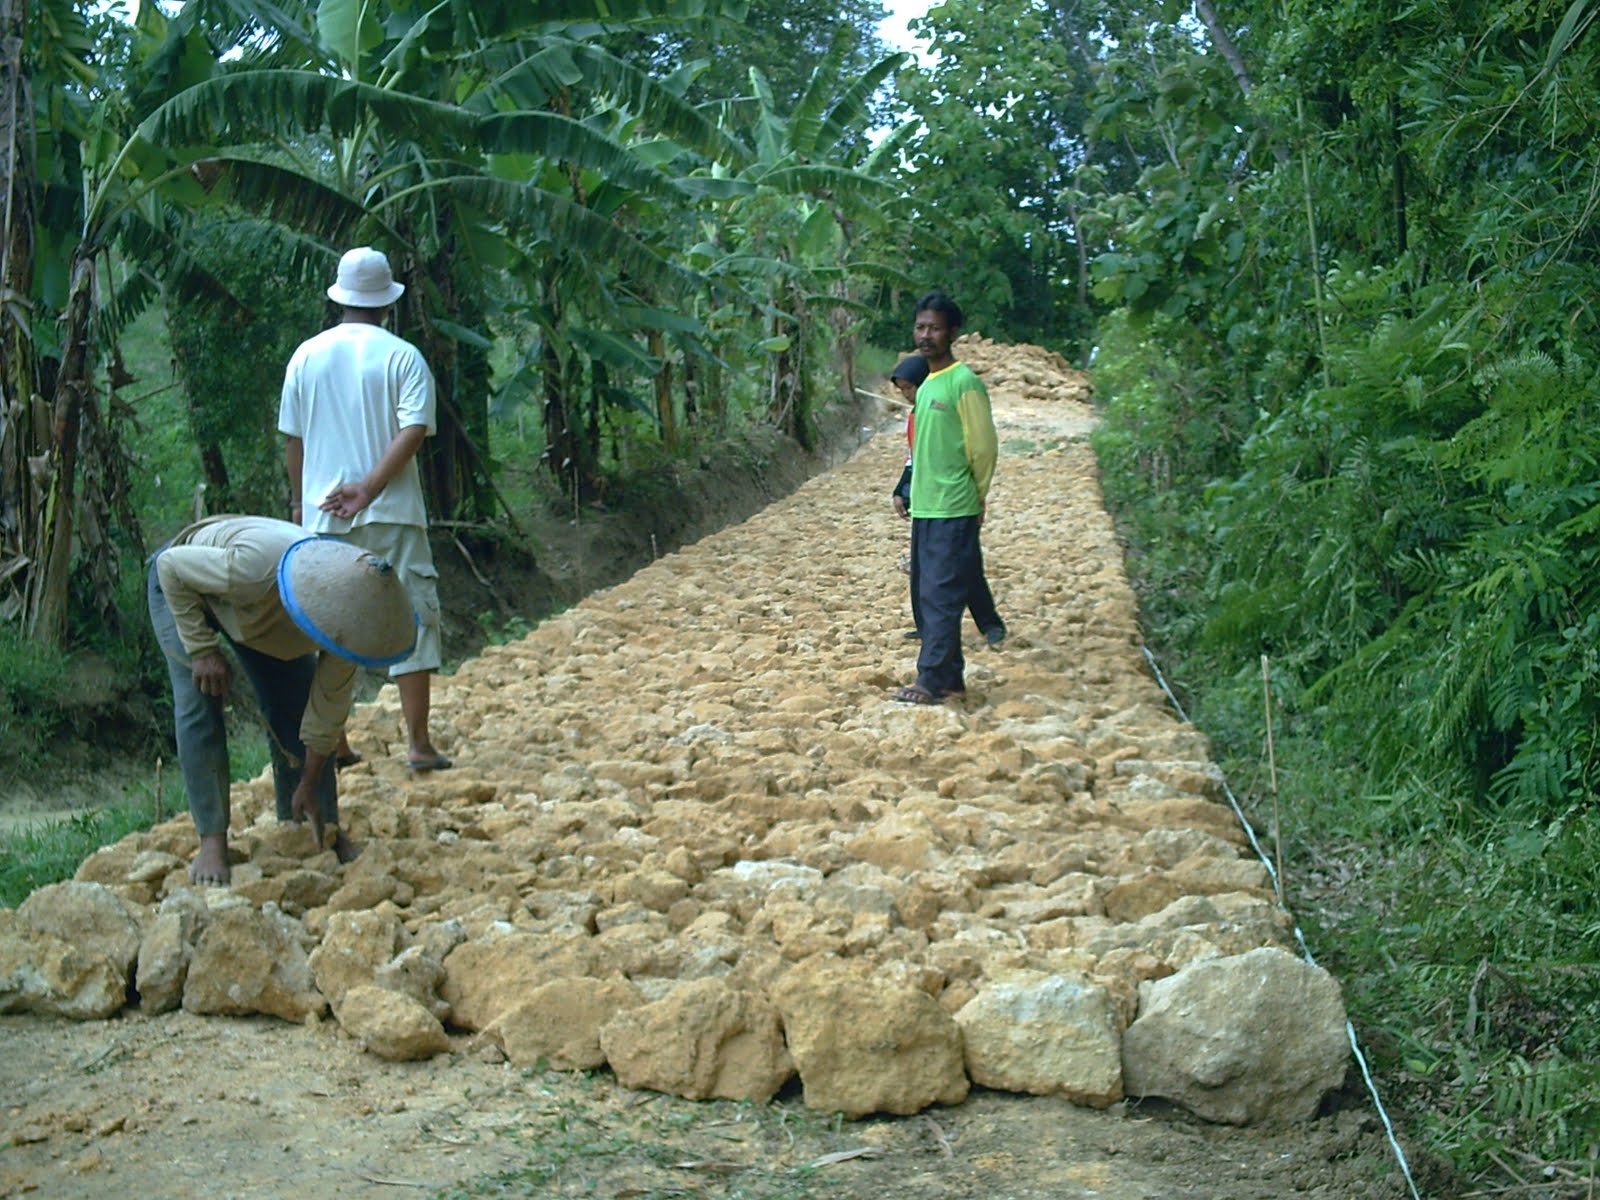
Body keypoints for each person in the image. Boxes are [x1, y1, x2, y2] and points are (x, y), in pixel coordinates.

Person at [148, 516, 418, 885]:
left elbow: (325, 713)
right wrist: (202, 649)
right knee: (200, 702)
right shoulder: (253, 571)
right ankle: (212, 841)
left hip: (257, 612)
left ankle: (313, 824)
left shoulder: (350, 624)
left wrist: (309, 781)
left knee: (296, 703)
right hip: (186, 585)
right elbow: (171, 567)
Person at [279, 246, 452, 772]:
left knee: (331, 625)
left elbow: (294, 440)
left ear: (340, 296)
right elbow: (414, 429)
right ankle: (418, 744)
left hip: (324, 515)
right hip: (394, 512)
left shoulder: (305, 355)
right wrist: (371, 488)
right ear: (387, 301)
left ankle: (336, 743)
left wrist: (298, 506)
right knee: (414, 616)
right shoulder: (403, 356)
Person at [891, 292, 999, 705]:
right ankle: (951, 678)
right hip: (928, 507)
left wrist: (977, 497)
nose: (926, 335)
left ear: (952, 332)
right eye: (920, 327)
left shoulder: (963, 382)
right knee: (926, 591)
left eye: (934, 328)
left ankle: (932, 679)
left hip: (954, 506)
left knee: (940, 595)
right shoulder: (928, 384)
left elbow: (983, 448)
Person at [889, 354, 1005, 647]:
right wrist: (901, 489)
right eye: (901, 390)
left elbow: (979, 448)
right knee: (923, 568)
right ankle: (926, 625)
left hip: (955, 499)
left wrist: (978, 494)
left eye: (909, 389)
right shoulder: (916, 416)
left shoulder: (950, 400)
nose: (906, 395)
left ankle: (989, 623)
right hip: (927, 500)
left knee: (964, 566)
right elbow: (914, 457)